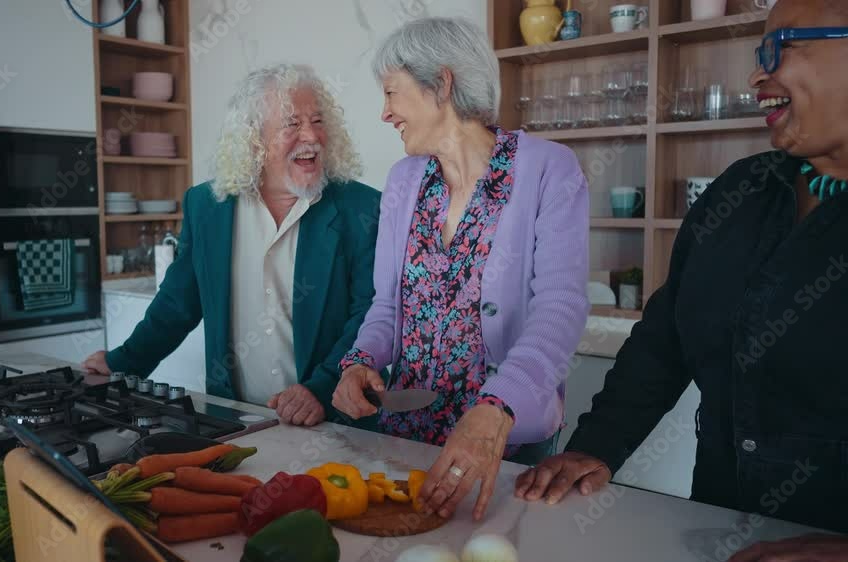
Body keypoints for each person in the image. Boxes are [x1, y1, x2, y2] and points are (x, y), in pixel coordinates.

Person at [514, 0, 848, 558]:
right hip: (716, 538)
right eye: (759, 53)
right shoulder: (741, 190)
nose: (757, 76)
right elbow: (663, 341)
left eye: (781, 48)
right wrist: (597, 446)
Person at [332, 17, 590, 521]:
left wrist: (498, 405)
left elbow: (559, 307)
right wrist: (360, 360)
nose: (385, 113)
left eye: (392, 92)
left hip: (504, 436)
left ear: (442, 83)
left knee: (495, 546)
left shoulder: (548, 169)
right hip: (407, 434)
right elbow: (387, 304)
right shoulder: (404, 180)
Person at [84, 64, 381, 427]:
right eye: (292, 124)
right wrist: (121, 363)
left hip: (335, 423)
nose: (312, 136)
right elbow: (177, 304)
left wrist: (321, 387)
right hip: (236, 423)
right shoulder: (207, 206)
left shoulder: (361, 208)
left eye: (317, 121)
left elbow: (369, 313)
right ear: (254, 138)